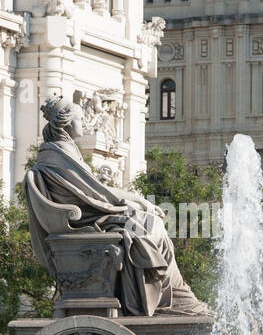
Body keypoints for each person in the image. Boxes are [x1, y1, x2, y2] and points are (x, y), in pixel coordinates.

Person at [25, 96, 207, 316]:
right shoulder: (59, 153)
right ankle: (172, 299)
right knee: (151, 226)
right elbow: (97, 193)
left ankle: (175, 294)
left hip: (91, 218)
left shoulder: (60, 151)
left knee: (150, 225)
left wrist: (136, 202)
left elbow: (94, 192)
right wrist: (139, 201)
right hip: (90, 223)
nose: (84, 123)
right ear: (65, 122)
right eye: (80, 119)